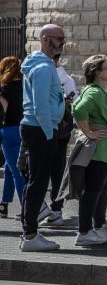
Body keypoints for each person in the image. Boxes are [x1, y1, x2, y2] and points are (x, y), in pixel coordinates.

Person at [18, 25, 67, 252]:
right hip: (41, 129)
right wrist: (49, 134)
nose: (62, 43)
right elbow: (40, 106)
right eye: (59, 39)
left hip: (37, 128)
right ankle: (30, 235)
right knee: (37, 184)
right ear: (45, 40)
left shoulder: (40, 64)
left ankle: (30, 233)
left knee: (35, 183)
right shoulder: (44, 68)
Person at [71, 55, 107, 246]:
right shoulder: (94, 92)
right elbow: (78, 110)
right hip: (98, 151)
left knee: (102, 190)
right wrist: (88, 132)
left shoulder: (101, 92)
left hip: (106, 151)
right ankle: (84, 232)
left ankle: (100, 227)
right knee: (93, 191)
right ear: (97, 73)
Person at [0, 55, 23, 220]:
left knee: (16, 170)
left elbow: (3, 113)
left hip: (9, 131)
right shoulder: (23, 86)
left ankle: (28, 207)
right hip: (23, 129)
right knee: (10, 168)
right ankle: (4, 203)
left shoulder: (5, 89)